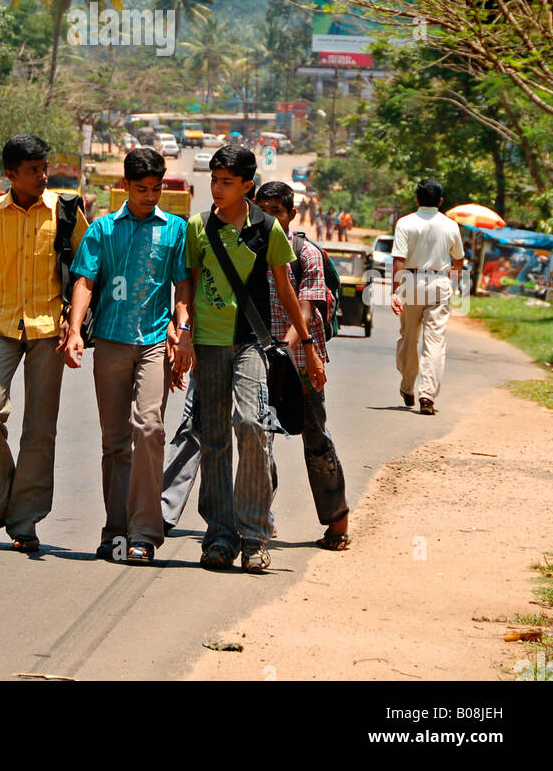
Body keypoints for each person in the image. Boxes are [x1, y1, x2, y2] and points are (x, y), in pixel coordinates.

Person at [186, 144, 326, 574]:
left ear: (248, 185)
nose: (217, 188)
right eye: (213, 180)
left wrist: (307, 347)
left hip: (252, 342)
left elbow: (286, 290)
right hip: (208, 344)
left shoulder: (268, 228)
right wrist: (182, 335)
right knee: (212, 437)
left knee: (250, 425)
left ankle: (252, 533)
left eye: (227, 182)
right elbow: (188, 286)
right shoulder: (197, 226)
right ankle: (219, 535)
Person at [0, 134, 89, 553]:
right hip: (0, 329)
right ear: (10, 174)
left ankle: (24, 519)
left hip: (49, 330)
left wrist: (75, 327)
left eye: (44, 167)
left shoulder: (65, 211)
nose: (43, 176)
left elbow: (85, 270)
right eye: (33, 170)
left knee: (39, 428)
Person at [63, 147, 192, 564]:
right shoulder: (101, 230)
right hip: (112, 340)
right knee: (115, 441)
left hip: (155, 341)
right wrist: (74, 332)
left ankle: (145, 532)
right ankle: (115, 531)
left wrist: (182, 328)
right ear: (124, 186)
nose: (149, 196)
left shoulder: (175, 230)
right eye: (141, 189)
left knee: (149, 427)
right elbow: (84, 280)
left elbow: (182, 287)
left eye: (156, 188)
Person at [255, 182, 350, 550]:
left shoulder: (304, 253)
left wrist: (282, 351)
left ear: (291, 214)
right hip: (259, 363)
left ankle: (337, 523)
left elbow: (307, 313)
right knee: (257, 440)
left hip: (301, 362)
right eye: (263, 210)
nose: (270, 218)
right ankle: (258, 518)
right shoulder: (249, 249)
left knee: (316, 441)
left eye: (277, 211)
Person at [391, 177, 464, 415]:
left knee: (409, 338)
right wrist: (453, 283)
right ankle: (426, 396)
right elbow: (458, 259)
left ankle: (407, 385)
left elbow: (399, 258)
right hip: (439, 282)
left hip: (411, 281)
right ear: (441, 201)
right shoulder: (451, 225)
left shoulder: (405, 223)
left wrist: (395, 290)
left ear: (417, 198)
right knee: (435, 342)